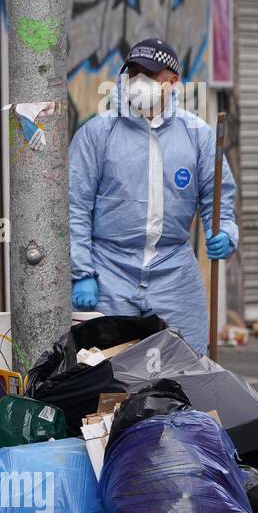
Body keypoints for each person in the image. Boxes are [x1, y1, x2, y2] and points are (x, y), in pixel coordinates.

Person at [69, 38, 238, 355]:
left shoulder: (197, 135)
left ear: (173, 82)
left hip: (173, 272)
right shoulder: (98, 134)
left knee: (185, 365)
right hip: (109, 272)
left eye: (150, 74)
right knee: (105, 371)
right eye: (133, 73)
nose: (138, 82)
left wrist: (225, 232)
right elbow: (75, 207)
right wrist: (82, 273)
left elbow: (218, 199)